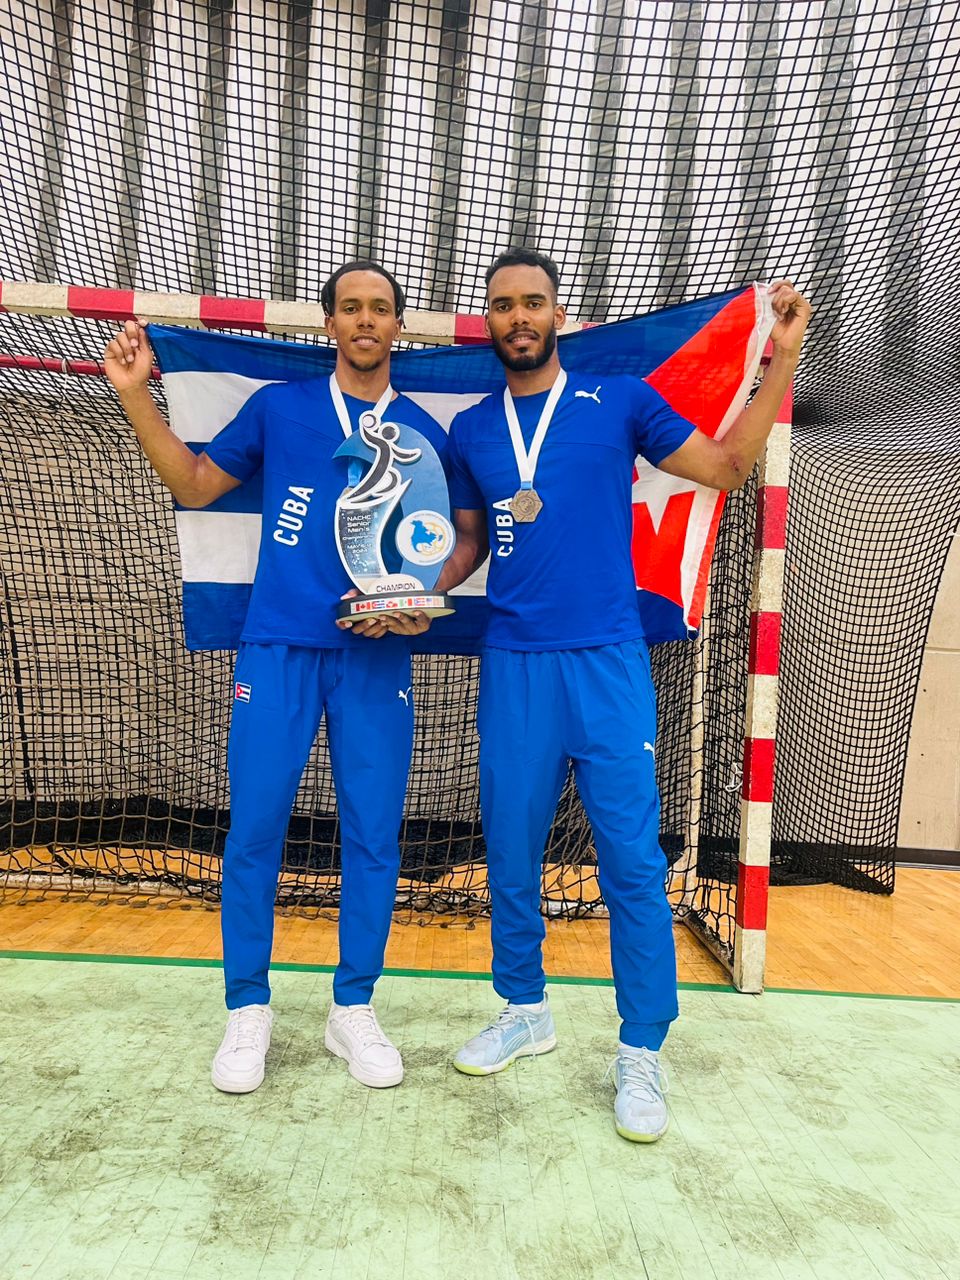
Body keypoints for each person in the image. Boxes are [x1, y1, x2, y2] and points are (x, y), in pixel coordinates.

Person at [435, 248, 811, 1142]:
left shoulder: (619, 402)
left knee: (633, 866)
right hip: (515, 665)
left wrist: (783, 362)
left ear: (558, 315)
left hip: (606, 662)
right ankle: (525, 1010)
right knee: (512, 853)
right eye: (501, 305)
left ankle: (641, 1050)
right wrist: (416, 595)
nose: (517, 317)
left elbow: (723, 468)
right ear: (486, 321)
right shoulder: (473, 431)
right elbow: (468, 546)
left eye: (533, 302)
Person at [104, 262, 442, 1095]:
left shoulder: (424, 431)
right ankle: (247, 1009)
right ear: (330, 323)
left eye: (381, 309)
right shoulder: (280, 408)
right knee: (254, 829)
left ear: (398, 326)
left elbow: (452, 540)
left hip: (376, 658)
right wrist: (133, 395)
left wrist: (423, 607)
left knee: (373, 837)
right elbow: (192, 483)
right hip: (277, 651)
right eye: (352, 308)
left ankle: (352, 1008)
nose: (367, 321)